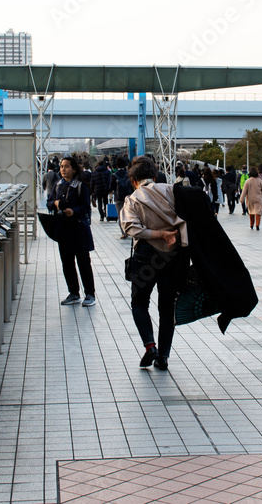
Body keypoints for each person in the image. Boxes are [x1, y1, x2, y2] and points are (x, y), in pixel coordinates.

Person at [120, 156, 190, 371]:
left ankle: (150, 347)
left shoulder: (132, 199)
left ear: (133, 180)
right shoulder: (171, 190)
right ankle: (164, 356)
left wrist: (158, 234)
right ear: (155, 175)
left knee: (139, 303)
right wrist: (173, 235)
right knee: (167, 307)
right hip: (173, 256)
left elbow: (130, 228)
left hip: (145, 255)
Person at [47, 157, 97, 307]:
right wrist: (54, 204)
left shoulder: (81, 186)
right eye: (62, 166)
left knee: (83, 263)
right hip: (63, 230)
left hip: (79, 229)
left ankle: (90, 294)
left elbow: (85, 207)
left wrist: (73, 211)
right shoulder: (57, 185)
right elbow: (49, 203)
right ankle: (74, 293)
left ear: (74, 169)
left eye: (67, 166)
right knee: (67, 263)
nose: (63, 169)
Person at [109, 156, 133, 239]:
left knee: (120, 215)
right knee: (129, 214)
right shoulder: (128, 175)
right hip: (129, 197)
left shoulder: (114, 175)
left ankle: (124, 232)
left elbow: (111, 187)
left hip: (118, 198)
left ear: (117, 166)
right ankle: (130, 230)